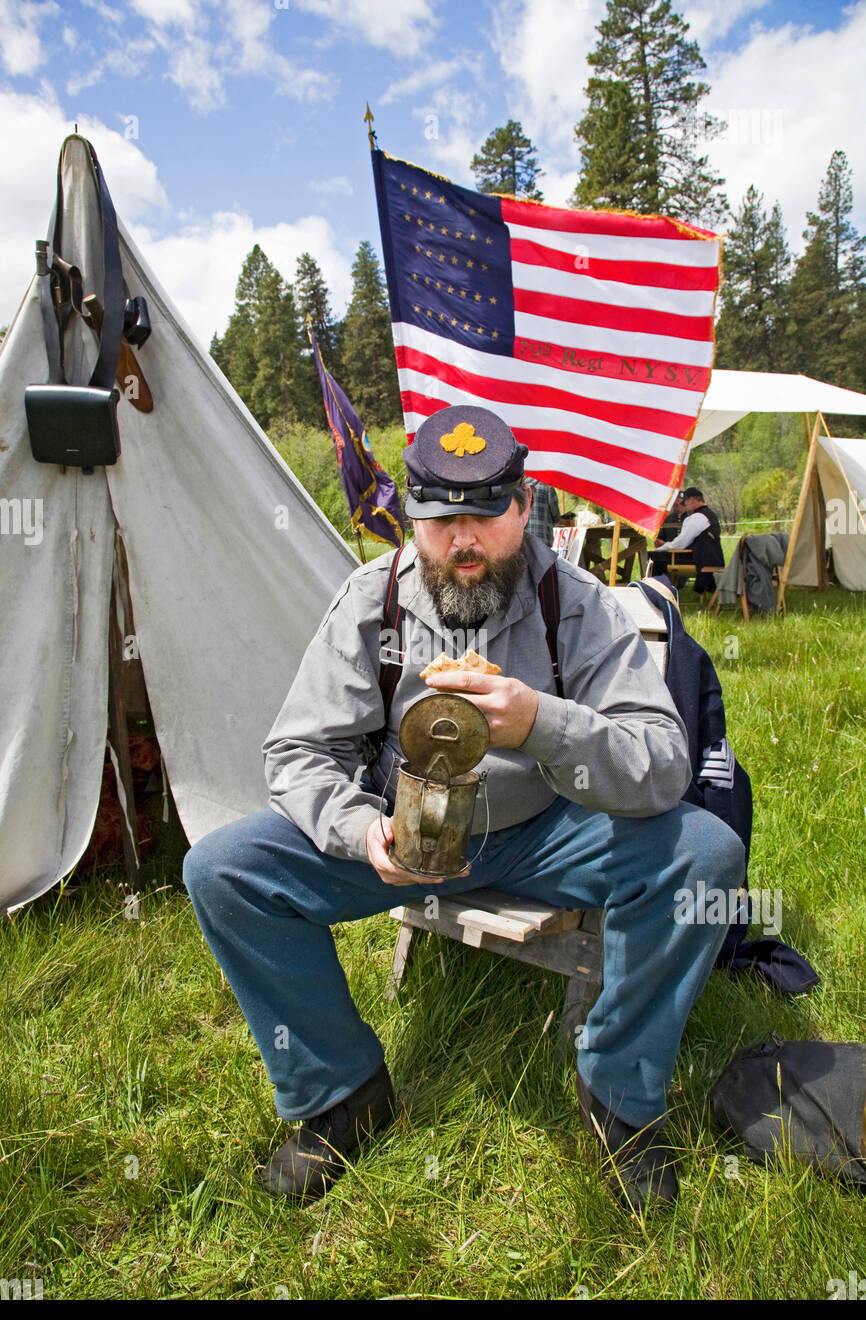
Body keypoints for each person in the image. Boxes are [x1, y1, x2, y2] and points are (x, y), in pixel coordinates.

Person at [183, 405, 744, 1213]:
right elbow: (298, 751)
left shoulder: (574, 603)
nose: (464, 541)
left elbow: (662, 761)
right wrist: (359, 829)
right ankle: (341, 1093)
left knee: (707, 855)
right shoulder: (372, 600)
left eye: (485, 514)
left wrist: (543, 724)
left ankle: (619, 1099)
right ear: (412, 518)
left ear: (524, 508)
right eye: (440, 520)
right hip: (404, 830)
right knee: (223, 870)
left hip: (548, 830)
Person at [648, 487, 724, 593]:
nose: (685, 505)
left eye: (685, 502)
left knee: (654, 558)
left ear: (692, 499)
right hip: (710, 558)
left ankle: (656, 593)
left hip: (701, 559)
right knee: (659, 557)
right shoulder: (707, 514)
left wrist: (660, 549)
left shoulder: (698, 517)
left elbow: (680, 543)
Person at [526, 477, 562, 547]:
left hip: (525, 539)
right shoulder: (547, 487)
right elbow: (556, 514)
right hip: (543, 537)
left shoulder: (521, 487)